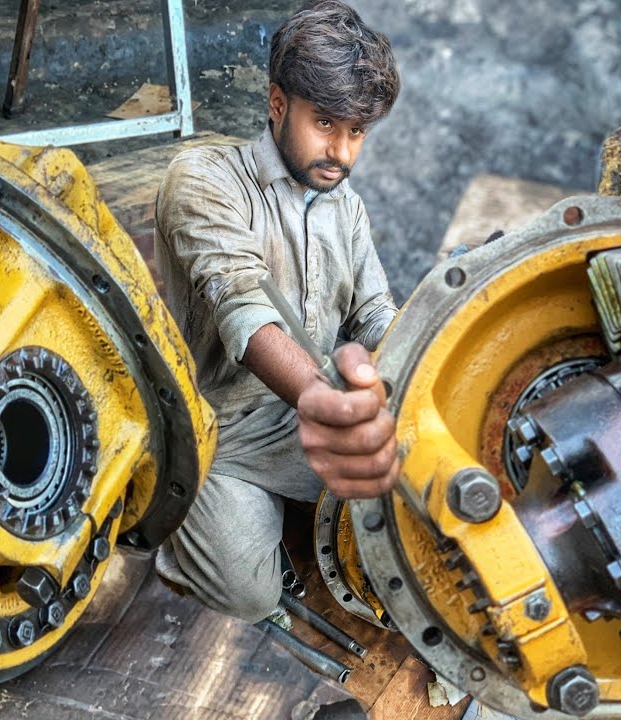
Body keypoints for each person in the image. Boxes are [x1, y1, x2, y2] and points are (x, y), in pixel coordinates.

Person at [151, 0, 402, 623]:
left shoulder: (345, 205)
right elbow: (246, 315)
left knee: (422, 489)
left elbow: (375, 313)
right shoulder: (205, 180)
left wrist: (423, 369)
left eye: (356, 132)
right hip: (216, 433)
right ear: (277, 103)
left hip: (301, 421)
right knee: (251, 593)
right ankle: (177, 526)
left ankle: (302, 501)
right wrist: (329, 406)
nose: (341, 153)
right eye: (325, 124)